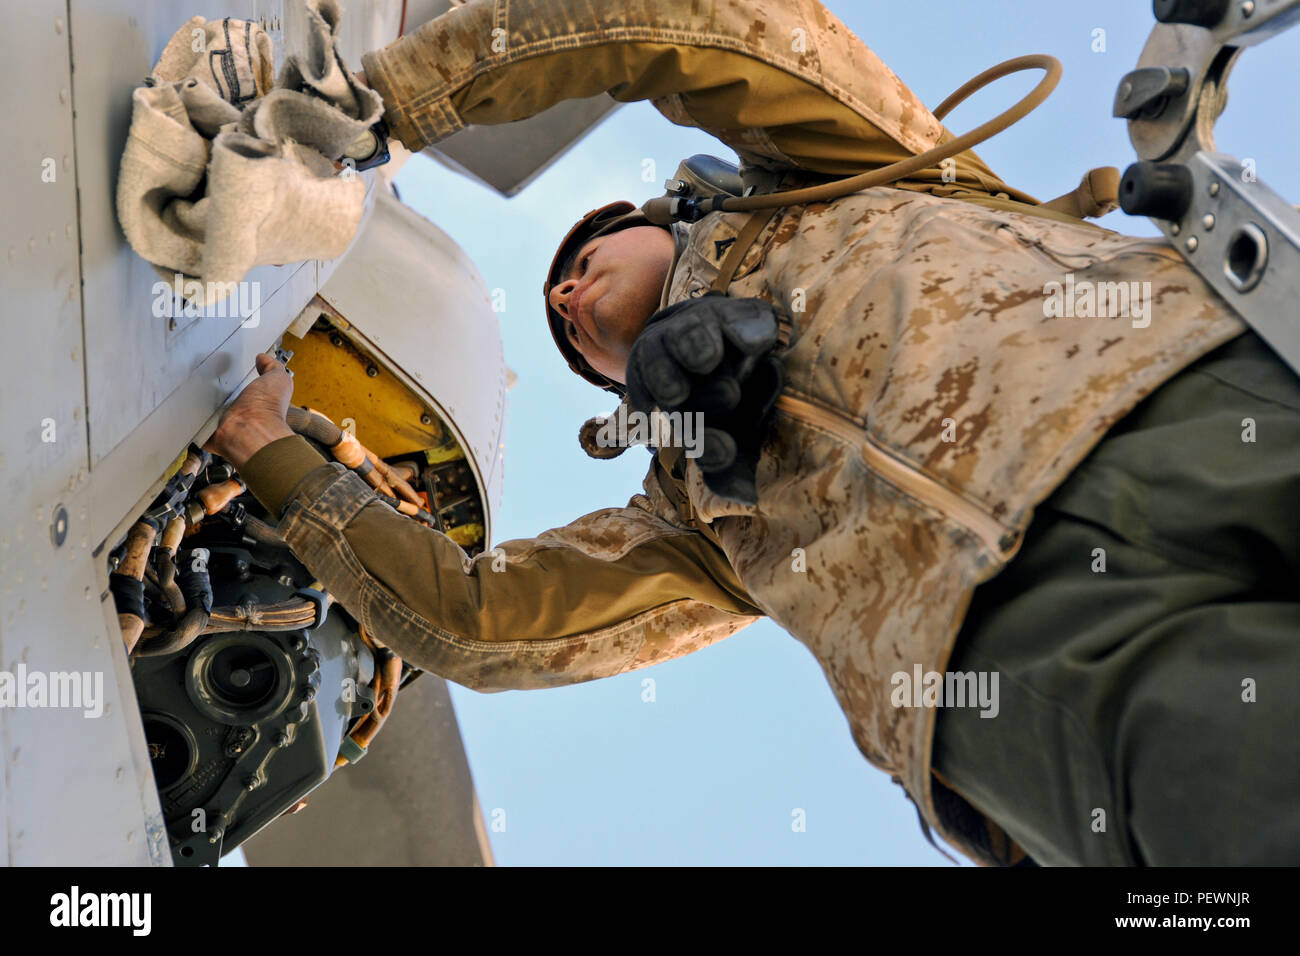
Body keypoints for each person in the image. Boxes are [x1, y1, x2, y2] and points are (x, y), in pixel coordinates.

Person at [206, 0, 1298, 865]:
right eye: (564, 330)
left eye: (585, 256)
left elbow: (685, 20)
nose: (566, 296)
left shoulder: (855, 170)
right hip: (1017, 662)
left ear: (664, 211)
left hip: (1184, 401)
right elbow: (479, 624)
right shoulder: (697, 525)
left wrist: (367, 110)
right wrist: (277, 456)